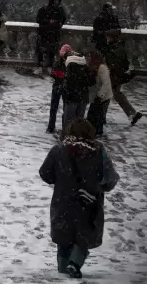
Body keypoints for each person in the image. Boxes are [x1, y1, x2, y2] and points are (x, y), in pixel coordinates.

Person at [39, 118, 119, 279]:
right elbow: (110, 179)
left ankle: (63, 271)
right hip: (89, 202)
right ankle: (74, 263)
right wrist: (99, 186)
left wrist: (61, 179)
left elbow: (45, 173)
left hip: (63, 201)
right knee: (84, 235)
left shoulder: (58, 150)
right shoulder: (98, 151)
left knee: (64, 236)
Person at [103, 30, 143, 126]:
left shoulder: (117, 49)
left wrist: (110, 68)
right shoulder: (115, 47)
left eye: (108, 37)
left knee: (107, 96)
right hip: (115, 77)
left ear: (113, 38)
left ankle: (101, 116)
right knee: (116, 95)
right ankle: (133, 114)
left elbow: (118, 64)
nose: (107, 38)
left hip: (114, 77)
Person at [36, 0, 67, 74]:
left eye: (58, 0)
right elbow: (39, 19)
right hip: (44, 33)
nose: (56, 2)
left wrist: (56, 24)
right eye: (55, 0)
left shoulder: (60, 10)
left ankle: (49, 66)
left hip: (54, 34)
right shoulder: (44, 9)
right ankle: (40, 66)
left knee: (52, 51)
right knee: (41, 50)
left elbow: (62, 20)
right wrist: (49, 22)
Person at [47, 44, 73, 134]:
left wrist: (61, 76)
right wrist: (58, 75)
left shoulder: (71, 63)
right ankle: (51, 127)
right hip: (57, 86)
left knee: (66, 109)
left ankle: (64, 128)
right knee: (54, 108)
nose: (63, 56)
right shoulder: (58, 62)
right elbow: (53, 74)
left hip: (65, 87)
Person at [86, 51, 113, 137]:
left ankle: (96, 131)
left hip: (103, 95)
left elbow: (106, 83)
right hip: (97, 95)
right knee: (97, 114)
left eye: (90, 56)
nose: (88, 58)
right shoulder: (93, 67)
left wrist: (100, 96)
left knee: (95, 114)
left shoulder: (102, 67)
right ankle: (96, 130)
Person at [62, 52, 91, 132]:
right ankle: (77, 136)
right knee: (79, 121)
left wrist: (65, 94)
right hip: (83, 97)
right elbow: (91, 82)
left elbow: (68, 83)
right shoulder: (85, 66)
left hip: (72, 97)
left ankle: (66, 136)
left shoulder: (70, 65)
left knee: (68, 121)